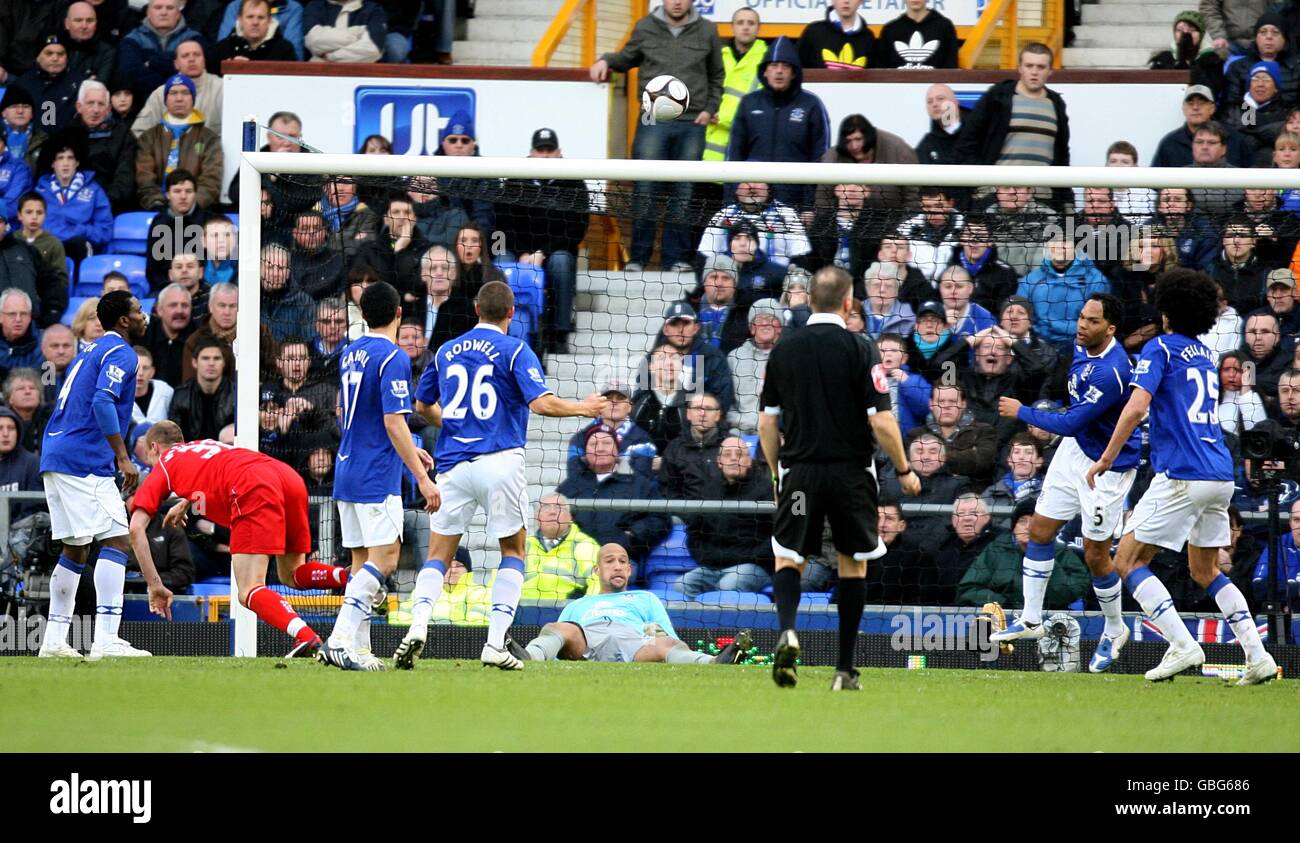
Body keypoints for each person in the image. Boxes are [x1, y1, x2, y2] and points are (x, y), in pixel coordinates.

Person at [1086, 269, 1277, 684]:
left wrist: (1106, 457)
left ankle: (1182, 644)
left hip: (1183, 472)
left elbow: (1137, 407)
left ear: (1166, 310)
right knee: (1205, 571)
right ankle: (1258, 655)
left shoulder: (1159, 348)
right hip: (1219, 472)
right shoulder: (1205, 355)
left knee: (1126, 560)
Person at [403, 281, 606, 670]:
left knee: (438, 555)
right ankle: (495, 643)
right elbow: (541, 404)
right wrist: (584, 407)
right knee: (512, 551)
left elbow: (422, 405)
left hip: (452, 466)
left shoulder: (446, 350)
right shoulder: (515, 349)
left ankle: (418, 624)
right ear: (512, 312)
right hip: (499, 461)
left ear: (476, 308)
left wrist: (455, 425)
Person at [758, 266, 920, 691]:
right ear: (848, 303)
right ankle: (845, 670)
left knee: (788, 556)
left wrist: (776, 474)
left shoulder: (784, 350)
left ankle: (787, 630)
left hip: (800, 474)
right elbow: (882, 421)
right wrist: (904, 469)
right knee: (853, 563)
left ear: (809, 299)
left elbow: (766, 423)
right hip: (851, 474)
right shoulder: (862, 348)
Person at [993, 294, 1141, 669]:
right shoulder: (1080, 347)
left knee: (1095, 555)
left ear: (1110, 329)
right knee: (1040, 530)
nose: (1082, 325)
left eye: (1092, 321)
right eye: (1081, 317)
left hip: (1106, 467)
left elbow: (1071, 422)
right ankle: (1031, 619)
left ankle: (1115, 628)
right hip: (1075, 451)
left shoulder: (1112, 371)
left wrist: (1022, 411)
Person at [131, 420, 350, 657]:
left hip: (252, 487)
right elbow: (214, 471)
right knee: (292, 574)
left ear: (154, 447)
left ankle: (307, 637)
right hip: (287, 478)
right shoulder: (203, 445)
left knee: (248, 590)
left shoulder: (164, 464)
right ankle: (351, 578)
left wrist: (154, 585)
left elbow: (135, 529)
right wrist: (186, 502)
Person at [35, 291, 165, 660]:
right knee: (118, 540)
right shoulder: (121, 352)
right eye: (138, 310)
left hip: (56, 453)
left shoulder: (89, 350)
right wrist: (123, 457)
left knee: (76, 547)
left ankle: (53, 641)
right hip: (84, 460)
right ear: (124, 320)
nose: (144, 315)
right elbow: (103, 400)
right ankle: (106, 638)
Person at [318, 281, 440, 672]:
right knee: (385, 559)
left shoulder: (349, 352)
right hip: (375, 475)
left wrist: (410, 448)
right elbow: (392, 421)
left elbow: (354, 412)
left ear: (363, 314)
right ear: (398, 313)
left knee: (361, 565)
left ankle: (361, 649)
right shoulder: (393, 357)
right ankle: (338, 639)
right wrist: (421, 477)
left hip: (347, 467)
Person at [589, 0, 722, 272]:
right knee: (645, 189)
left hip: (692, 122)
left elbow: (717, 76)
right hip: (653, 119)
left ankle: (676, 259)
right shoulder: (645, 26)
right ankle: (638, 259)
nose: (677, 2)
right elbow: (626, 58)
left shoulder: (708, 29)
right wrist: (605, 60)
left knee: (684, 192)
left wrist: (709, 109)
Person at [512, 542, 752, 665]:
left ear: (629, 570)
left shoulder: (645, 598)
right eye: (609, 561)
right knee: (558, 628)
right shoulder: (578, 604)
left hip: (633, 643)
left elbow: (667, 636)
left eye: (622, 561)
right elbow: (561, 647)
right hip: (588, 642)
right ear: (597, 570)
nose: (617, 566)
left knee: (667, 644)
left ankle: (714, 661)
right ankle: (530, 657)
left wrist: (656, 634)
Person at [493, 128, 590, 354]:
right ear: (531, 152)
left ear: (559, 152)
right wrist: (522, 253)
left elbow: (576, 229)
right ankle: (498, 327)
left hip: (555, 252)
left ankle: (559, 334)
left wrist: (542, 252)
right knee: (501, 259)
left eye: (549, 150)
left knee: (562, 262)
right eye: (540, 150)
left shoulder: (574, 183)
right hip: (519, 252)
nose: (545, 155)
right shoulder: (514, 181)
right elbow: (502, 224)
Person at [726, 36, 830, 216]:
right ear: (765, 71)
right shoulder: (749, 103)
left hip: (795, 205)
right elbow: (734, 155)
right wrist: (730, 203)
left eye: (785, 66)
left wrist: (808, 206)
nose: (779, 71)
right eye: (774, 66)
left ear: (794, 73)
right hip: (751, 204)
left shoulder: (811, 105)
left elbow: (819, 158)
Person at [557, 426, 672, 558]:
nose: (600, 448)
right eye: (593, 444)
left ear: (617, 450)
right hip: (575, 558)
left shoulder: (640, 484)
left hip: (620, 559)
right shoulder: (571, 485)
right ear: (586, 452)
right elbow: (553, 516)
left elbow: (661, 518)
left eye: (606, 443)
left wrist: (632, 535)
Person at [681, 436, 773, 596]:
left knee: (728, 585)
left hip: (754, 566)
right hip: (713, 566)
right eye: (727, 454)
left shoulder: (766, 489)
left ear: (749, 461)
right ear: (719, 461)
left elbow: (777, 534)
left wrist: (750, 556)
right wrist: (708, 557)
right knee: (681, 586)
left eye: (739, 454)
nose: (733, 459)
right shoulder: (708, 490)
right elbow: (694, 532)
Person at [957, 498, 1089, 609]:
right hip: (1001, 618)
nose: (1028, 527)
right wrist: (1003, 604)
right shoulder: (996, 549)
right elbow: (968, 589)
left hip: (1048, 619)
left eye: (1035, 522)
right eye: (1022, 521)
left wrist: (1045, 558)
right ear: (1014, 527)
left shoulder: (1061, 551)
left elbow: (1075, 590)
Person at [954, 43, 1070, 169]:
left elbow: (1062, 153)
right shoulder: (997, 96)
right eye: (1029, 66)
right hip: (1001, 181)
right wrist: (984, 178)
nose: (1034, 72)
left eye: (1041, 67)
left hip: (1044, 182)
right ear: (1019, 68)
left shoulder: (1056, 103)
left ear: (1050, 71)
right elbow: (967, 141)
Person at [134, 76, 222, 211]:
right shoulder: (149, 137)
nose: (179, 98)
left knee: (183, 219)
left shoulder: (208, 138)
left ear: (193, 99)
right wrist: (156, 203)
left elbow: (211, 179)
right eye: (173, 93)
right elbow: (144, 177)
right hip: (156, 209)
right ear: (165, 100)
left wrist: (192, 206)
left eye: (185, 93)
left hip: (195, 212)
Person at [1018, 233, 1111, 352]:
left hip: (1081, 347)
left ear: (1075, 245)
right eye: (1054, 241)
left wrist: (1053, 327)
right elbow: (1021, 318)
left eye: (1064, 241)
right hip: (1038, 347)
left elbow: (1096, 323)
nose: (1058, 245)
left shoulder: (1096, 280)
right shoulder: (1030, 280)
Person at [702, 7, 767, 167]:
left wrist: (721, 117)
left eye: (751, 23)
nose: (745, 27)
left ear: (758, 28)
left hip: (745, 144)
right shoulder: (717, 56)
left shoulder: (767, 60)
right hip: (709, 144)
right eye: (740, 23)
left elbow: (763, 105)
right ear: (732, 27)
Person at [63, 79, 137, 214]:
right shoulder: (64, 135)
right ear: (79, 107)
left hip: (107, 206)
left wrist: (99, 203)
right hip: (69, 204)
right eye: (90, 103)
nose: (96, 110)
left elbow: (124, 179)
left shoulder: (123, 135)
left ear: (108, 109)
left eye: (101, 104)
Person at [35, 138, 113, 260]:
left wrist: (82, 230)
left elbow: (105, 231)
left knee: (79, 244)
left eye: (70, 158)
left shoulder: (94, 191)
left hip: (78, 246)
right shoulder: (40, 191)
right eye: (60, 158)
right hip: (47, 245)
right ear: (52, 163)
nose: (65, 163)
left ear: (77, 162)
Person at [130, 37, 223, 138]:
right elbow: (138, 132)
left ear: (204, 61)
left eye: (196, 54)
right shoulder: (160, 94)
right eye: (185, 56)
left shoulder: (223, 88)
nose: (191, 59)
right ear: (176, 64)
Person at [117, 0, 205, 101]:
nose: (164, 12)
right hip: (144, 103)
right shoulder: (131, 40)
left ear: (178, 13)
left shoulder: (194, 39)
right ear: (148, 12)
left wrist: (152, 62)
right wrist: (174, 67)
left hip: (188, 101)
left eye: (170, 8)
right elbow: (130, 76)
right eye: (158, 8)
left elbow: (195, 74)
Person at [522, 493, 600, 602]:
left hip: (565, 610)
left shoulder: (585, 545)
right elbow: (502, 583)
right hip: (522, 610)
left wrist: (581, 608)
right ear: (537, 518)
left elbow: (599, 582)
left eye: (559, 508)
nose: (552, 512)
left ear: (570, 517)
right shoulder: (524, 546)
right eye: (545, 508)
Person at [1151, 84, 1250, 168]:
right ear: (1184, 109)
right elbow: (1154, 179)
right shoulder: (1170, 143)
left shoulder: (1235, 139)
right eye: (1190, 103)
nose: (1195, 107)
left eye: (1202, 103)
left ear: (1212, 108)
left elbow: (1251, 176)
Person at [0, 212, 65, 329]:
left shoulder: (25, 250)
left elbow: (52, 282)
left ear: (5, 224)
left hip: (31, 326)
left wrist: (52, 312)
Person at [726, 297, 781, 435]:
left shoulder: (789, 357)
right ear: (752, 328)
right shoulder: (734, 357)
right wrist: (748, 423)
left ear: (780, 327)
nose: (765, 323)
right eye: (759, 319)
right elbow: (726, 403)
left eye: (771, 319)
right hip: (740, 433)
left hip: (778, 433)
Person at [14, 36, 89, 135]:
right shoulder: (23, 84)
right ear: (38, 57)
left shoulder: (82, 84)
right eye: (49, 53)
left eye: (60, 54)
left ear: (67, 57)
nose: (55, 58)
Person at [167, 335, 234, 440]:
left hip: (227, 449)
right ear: (194, 362)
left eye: (217, 358)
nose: (211, 363)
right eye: (205, 358)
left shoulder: (235, 394)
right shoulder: (181, 395)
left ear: (224, 363)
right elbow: (173, 436)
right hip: (191, 449)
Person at [1148, 10, 1225, 93]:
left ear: (1201, 34)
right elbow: (1154, 87)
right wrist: (1180, 61)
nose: (1185, 34)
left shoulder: (1212, 60)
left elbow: (1213, 88)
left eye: (1191, 30)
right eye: (1179, 30)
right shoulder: (1163, 58)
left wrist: (1191, 63)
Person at [872, 0, 959, 69]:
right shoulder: (890, 29)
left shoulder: (944, 27)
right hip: (897, 85)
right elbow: (881, 68)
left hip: (934, 85)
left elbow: (951, 66)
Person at [213, 0, 299, 64]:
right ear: (240, 19)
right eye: (250, 17)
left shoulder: (285, 50)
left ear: (269, 20)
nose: (255, 22)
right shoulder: (223, 49)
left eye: (261, 17)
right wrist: (229, 69)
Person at [797, 0, 874, 70]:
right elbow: (797, 69)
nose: (846, 1)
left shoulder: (868, 37)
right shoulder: (813, 31)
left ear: (861, 1)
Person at [303, 0, 386, 63]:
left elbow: (373, 49)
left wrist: (330, 57)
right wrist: (358, 34)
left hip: (361, 72)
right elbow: (313, 41)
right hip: (319, 72)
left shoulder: (373, 9)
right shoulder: (315, 6)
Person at [62, 3, 118, 84]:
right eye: (78, 20)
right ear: (67, 24)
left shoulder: (107, 52)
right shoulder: (55, 47)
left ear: (96, 25)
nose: (84, 26)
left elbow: (99, 84)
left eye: (89, 21)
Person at [915, 83, 968, 167]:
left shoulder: (978, 133)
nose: (934, 104)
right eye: (929, 101)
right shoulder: (927, 144)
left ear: (955, 102)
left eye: (940, 99)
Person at [1, 85, 48, 173]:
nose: (20, 111)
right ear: (3, 113)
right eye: (14, 106)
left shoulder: (44, 140)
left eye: (26, 106)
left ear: (32, 114)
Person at [1201, 0, 1270, 55]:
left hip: (1261, 43)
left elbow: (1275, 7)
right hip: (1227, 43)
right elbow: (1209, 7)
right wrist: (1218, 34)